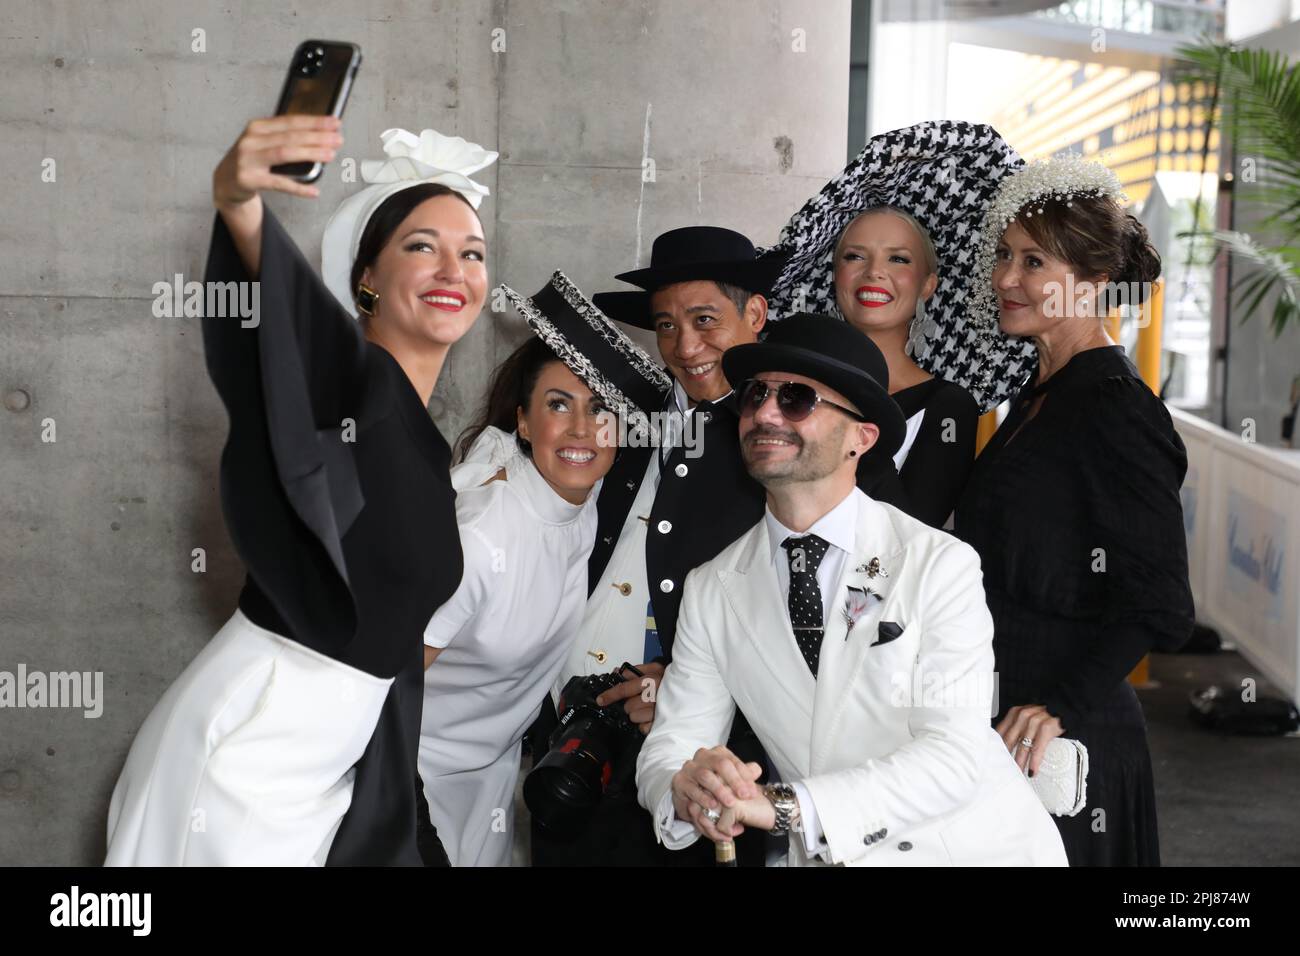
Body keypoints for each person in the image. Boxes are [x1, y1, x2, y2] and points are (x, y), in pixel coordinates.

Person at [105, 119, 496, 865]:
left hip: (325, 763)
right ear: (367, 277)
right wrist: (241, 204)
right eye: (423, 246)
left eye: (472, 253)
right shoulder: (357, 386)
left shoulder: (422, 435)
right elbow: (296, 326)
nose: (454, 269)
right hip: (249, 752)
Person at [635, 313, 1067, 866]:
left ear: (860, 438)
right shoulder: (710, 587)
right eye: (753, 395)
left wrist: (789, 807)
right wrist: (686, 789)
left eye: (796, 398)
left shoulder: (940, 564)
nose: (765, 413)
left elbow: (954, 757)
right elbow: (672, 745)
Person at [954, 155, 1193, 866]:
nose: (1004, 278)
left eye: (1033, 262)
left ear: (1093, 282)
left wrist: (1057, 703)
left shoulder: (1116, 408)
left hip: (1069, 742)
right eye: (1003, 256)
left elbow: (1161, 604)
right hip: (1012, 725)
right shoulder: (1039, 398)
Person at [529, 225, 786, 866]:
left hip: (707, 758)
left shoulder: (790, 436)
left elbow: (819, 603)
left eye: (704, 319)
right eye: (666, 325)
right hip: (569, 735)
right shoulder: (617, 414)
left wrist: (692, 688)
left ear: (755, 313)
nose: (685, 345)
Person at [417, 273, 668, 866]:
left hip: (494, 778)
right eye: (559, 405)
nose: (583, 429)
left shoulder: (582, 507)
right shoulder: (477, 538)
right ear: (524, 422)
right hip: (408, 776)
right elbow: (375, 686)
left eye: (600, 409)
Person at [765, 121, 1036, 526]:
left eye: (899, 259)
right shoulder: (783, 386)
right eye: (855, 256)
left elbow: (914, 532)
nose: (875, 273)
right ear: (834, 275)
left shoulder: (947, 406)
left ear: (928, 285)